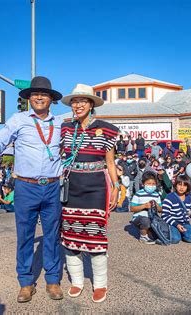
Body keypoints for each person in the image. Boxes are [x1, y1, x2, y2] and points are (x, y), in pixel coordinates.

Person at [0, 76, 64, 303]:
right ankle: (26, 283)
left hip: (52, 186)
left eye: (44, 94)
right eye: (35, 94)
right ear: (29, 98)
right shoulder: (18, 120)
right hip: (25, 187)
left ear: (51, 99)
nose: (39, 97)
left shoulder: (60, 124)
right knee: (25, 236)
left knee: (52, 236)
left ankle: (53, 280)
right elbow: (0, 139)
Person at [60, 83, 119, 303]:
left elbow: (110, 162)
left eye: (83, 101)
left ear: (91, 104)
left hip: (96, 186)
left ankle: (100, 284)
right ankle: (77, 281)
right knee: (70, 235)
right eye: (75, 101)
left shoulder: (107, 129)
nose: (78, 105)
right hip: (71, 186)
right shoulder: (65, 128)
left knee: (96, 235)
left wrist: (116, 187)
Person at [130, 171, 162, 244]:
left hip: (152, 219)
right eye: (149, 183)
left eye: (153, 184)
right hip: (139, 218)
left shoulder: (156, 195)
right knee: (145, 220)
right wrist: (144, 206)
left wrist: (157, 205)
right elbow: (132, 208)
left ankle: (147, 232)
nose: (151, 186)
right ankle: (143, 236)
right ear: (143, 184)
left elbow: (160, 210)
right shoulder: (138, 194)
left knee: (155, 236)